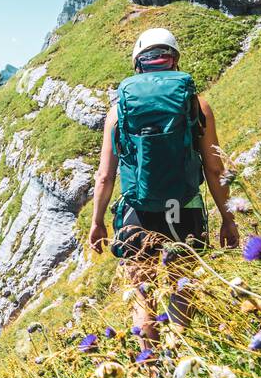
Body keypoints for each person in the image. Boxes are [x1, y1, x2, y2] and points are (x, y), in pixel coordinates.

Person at [89, 28, 239, 349]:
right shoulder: (197, 105)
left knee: (142, 296)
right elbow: (214, 168)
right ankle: (179, 362)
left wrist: (96, 221)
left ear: (137, 65)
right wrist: (229, 218)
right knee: (182, 290)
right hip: (185, 209)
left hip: (136, 215)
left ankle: (153, 373)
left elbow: (105, 176)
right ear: (175, 61)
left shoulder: (119, 110)